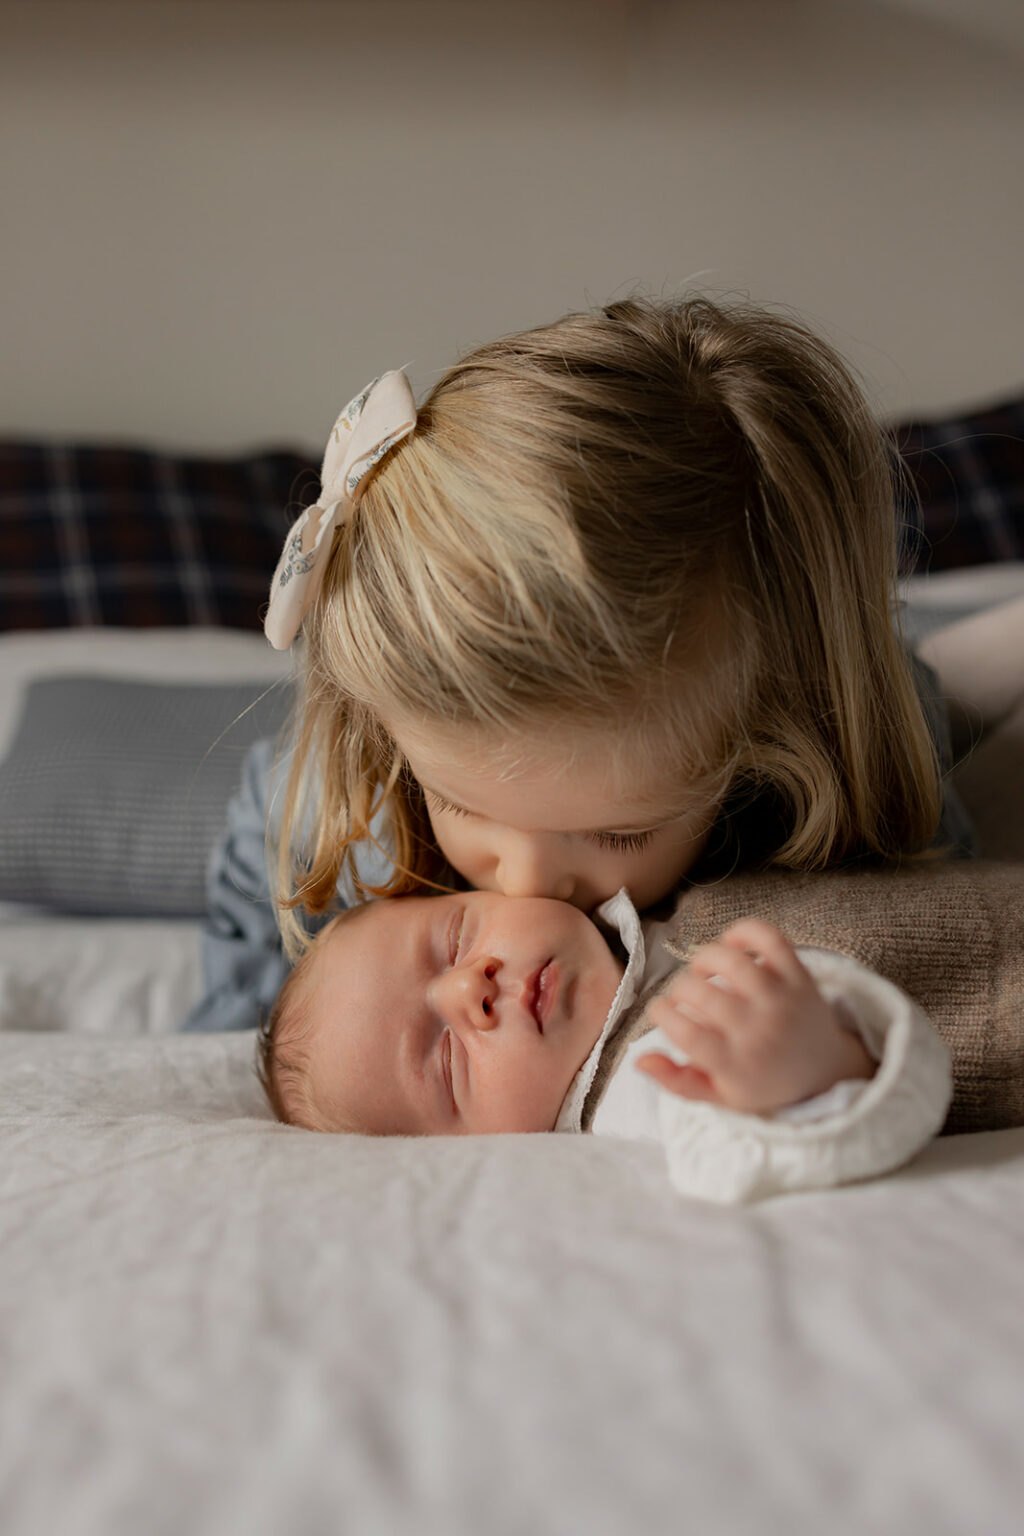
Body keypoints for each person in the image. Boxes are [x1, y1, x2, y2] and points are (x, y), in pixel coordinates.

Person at [184, 294, 977, 1035]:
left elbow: (952, 966)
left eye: (616, 834)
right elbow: (263, 954)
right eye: (462, 804)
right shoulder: (350, 819)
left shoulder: (856, 757)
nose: (527, 885)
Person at [255, 885, 951, 1204]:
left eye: (455, 937)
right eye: (447, 1058)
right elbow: (757, 1157)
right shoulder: (642, 1083)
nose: (472, 987)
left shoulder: (650, 900)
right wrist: (813, 1073)